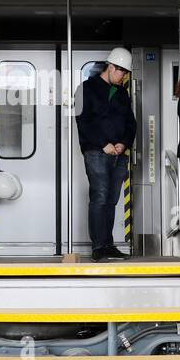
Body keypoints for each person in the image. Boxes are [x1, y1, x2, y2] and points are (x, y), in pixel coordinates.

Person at [76, 47, 137, 262]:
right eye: (122, 72)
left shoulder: (123, 93)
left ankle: (108, 244)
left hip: (119, 154)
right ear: (111, 67)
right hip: (96, 152)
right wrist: (104, 144)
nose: (124, 77)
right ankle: (98, 247)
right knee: (100, 197)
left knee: (111, 199)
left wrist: (124, 144)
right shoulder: (86, 89)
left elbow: (131, 123)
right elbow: (83, 121)